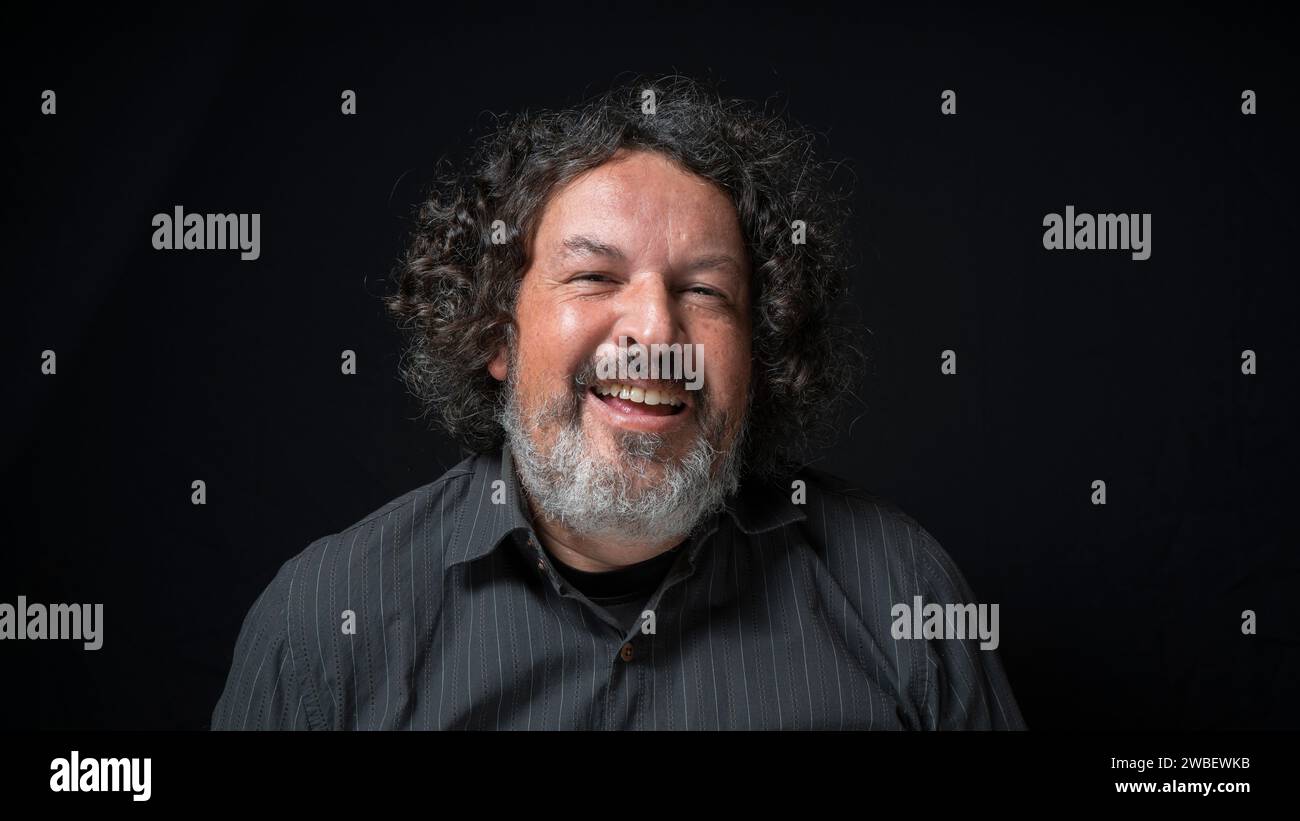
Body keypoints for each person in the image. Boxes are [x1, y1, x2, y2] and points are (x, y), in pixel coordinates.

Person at [211, 75, 1025, 730]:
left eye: (705, 290)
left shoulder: (898, 592)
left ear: (761, 352)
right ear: (497, 332)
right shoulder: (325, 620)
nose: (655, 331)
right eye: (595, 276)